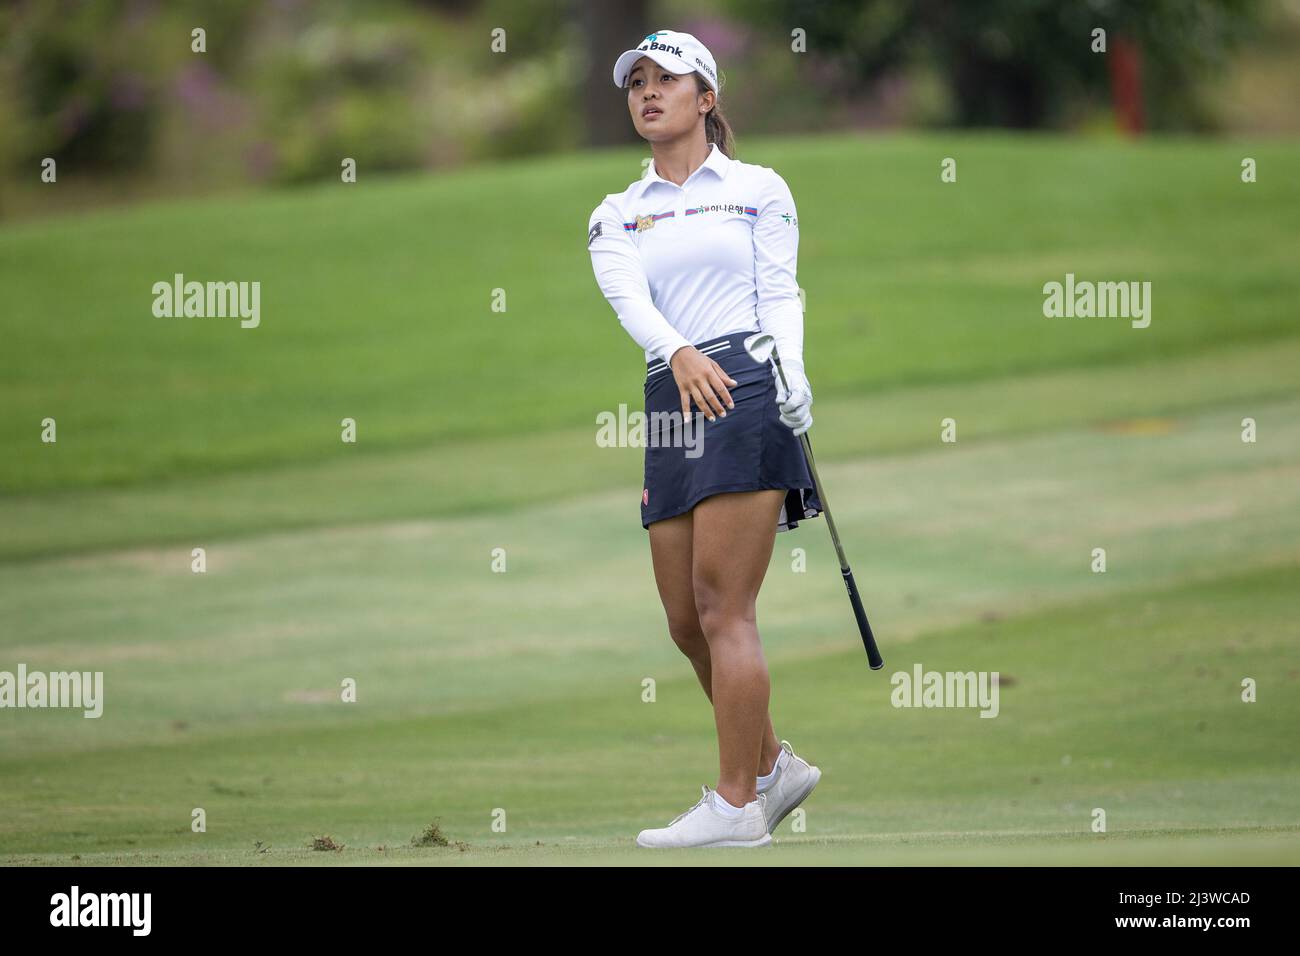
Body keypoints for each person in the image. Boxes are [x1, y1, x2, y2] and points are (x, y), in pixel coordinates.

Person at [587, 29, 824, 849]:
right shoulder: (618, 212)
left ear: (707, 97)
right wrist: (678, 353)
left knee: (728, 608)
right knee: (687, 619)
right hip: (669, 393)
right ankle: (773, 768)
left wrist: (791, 372)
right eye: (637, 82)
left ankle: (736, 808)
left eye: (667, 80)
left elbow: (781, 292)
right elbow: (631, 304)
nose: (648, 92)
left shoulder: (759, 188)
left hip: (744, 386)